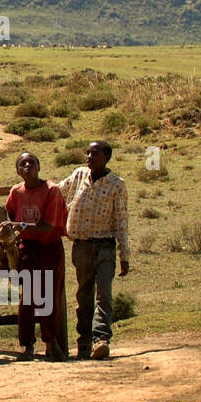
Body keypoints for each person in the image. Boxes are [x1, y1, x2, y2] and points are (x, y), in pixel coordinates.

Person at [59, 140, 130, 360]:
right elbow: (56, 193)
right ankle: (84, 342)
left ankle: (101, 339)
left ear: (106, 157)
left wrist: (124, 255)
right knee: (84, 295)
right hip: (81, 246)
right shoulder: (79, 175)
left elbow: (121, 220)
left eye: (95, 153)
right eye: (88, 153)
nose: (89, 156)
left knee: (104, 294)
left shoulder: (116, 184)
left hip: (105, 246)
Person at [5, 152, 68, 362]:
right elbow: (10, 213)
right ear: (18, 170)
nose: (27, 166)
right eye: (22, 164)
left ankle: (51, 342)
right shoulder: (16, 192)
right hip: (28, 248)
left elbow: (48, 226)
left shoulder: (52, 191)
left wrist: (19, 226)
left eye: (32, 162)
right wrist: (14, 230)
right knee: (28, 296)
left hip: (50, 246)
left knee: (51, 294)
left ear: (39, 167)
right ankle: (28, 345)